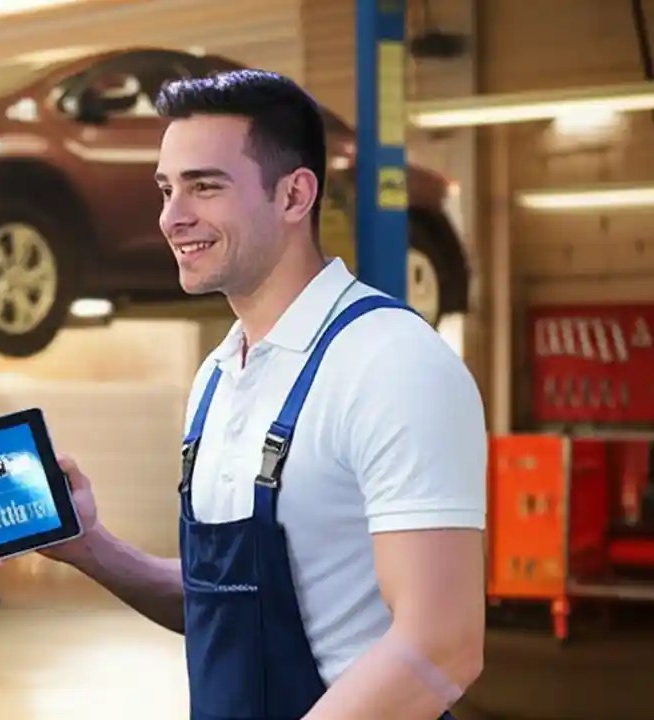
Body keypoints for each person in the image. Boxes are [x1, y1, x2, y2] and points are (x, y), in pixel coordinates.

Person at [43, 68, 487, 720]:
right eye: (166, 189)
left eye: (204, 187)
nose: (172, 217)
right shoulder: (221, 376)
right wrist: (90, 545)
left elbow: (442, 646)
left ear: (294, 195)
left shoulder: (390, 363)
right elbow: (226, 605)